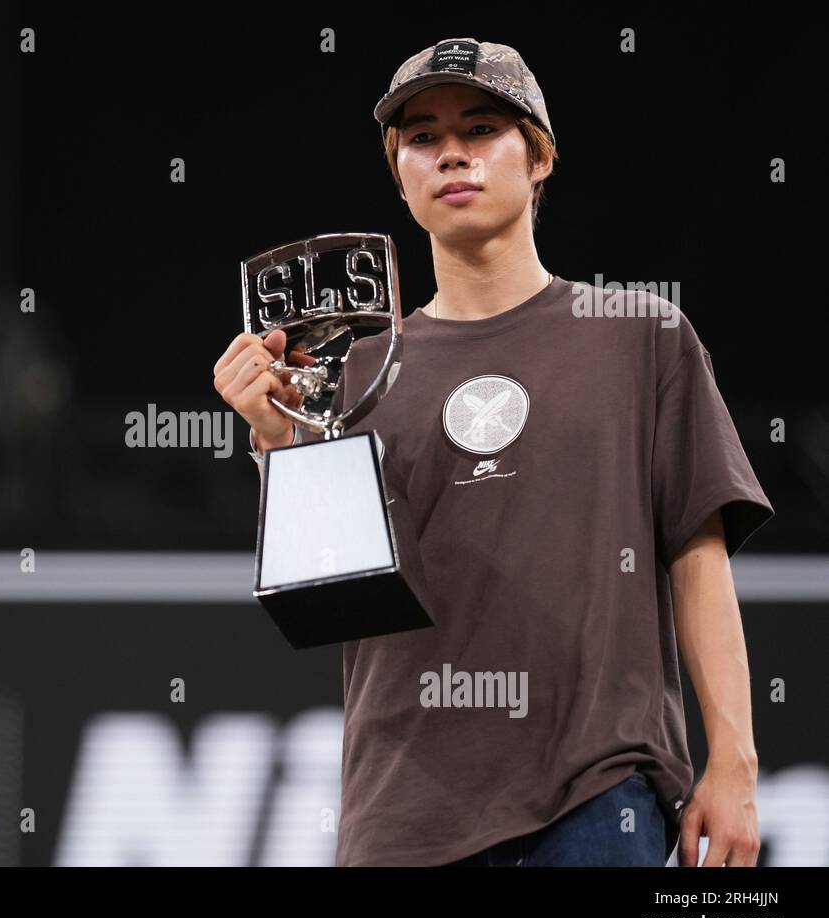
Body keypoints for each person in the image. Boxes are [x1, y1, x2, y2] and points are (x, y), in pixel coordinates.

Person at [213, 38, 773, 866]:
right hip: (401, 813)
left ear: (540, 155)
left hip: (596, 792)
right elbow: (329, 590)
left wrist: (735, 763)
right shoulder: (354, 371)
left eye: (481, 129)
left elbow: (699, 554)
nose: (452, 155)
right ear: (399, 175)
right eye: (422, 139)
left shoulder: (639, 337)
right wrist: (275, 438)